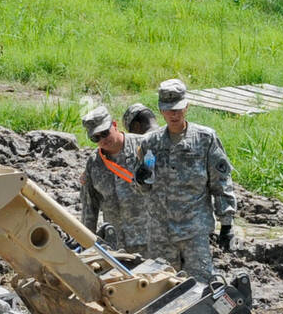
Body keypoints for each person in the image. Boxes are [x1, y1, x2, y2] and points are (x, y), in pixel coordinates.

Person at [133, 79, 236, 283]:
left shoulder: (205, 139)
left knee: (200, 287)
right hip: (161, 232)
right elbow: (142, 189)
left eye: (178, 109)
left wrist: (227, 223)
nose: (174, 114)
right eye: (169, 110)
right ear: (161, 111)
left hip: (194, 230)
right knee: (160, 288)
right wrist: (140, 179)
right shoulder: (149, 143)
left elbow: (221, 182)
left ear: (187, 106)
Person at [78, 104, 153, 259]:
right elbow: (89, 209)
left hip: (151, 242)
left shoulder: (145, 147)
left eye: (105, 133)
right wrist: (85, 245)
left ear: (114, 125)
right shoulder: (94, 163)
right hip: (116, 247)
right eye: (95, 138)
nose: (102, 140)